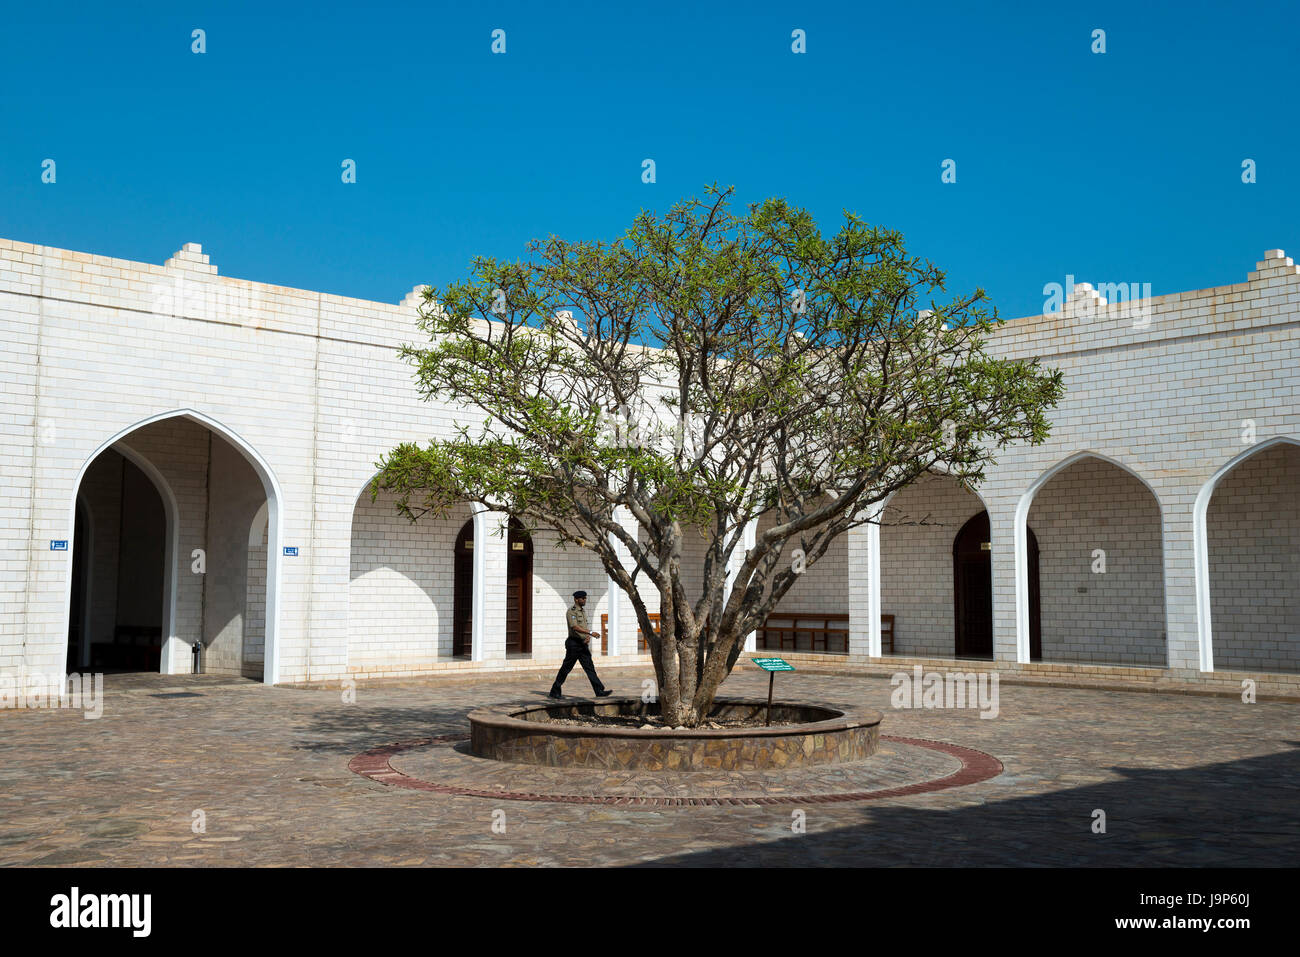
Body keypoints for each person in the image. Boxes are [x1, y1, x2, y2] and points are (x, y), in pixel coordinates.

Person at [548, 590, 613, 698]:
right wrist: (591, 633)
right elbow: (574, 627)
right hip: (573, 644)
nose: (584, 600)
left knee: (590, 668)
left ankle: (599, 691)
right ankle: (555, 690)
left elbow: (583, 627)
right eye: (582, 598)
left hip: (582, 645)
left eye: (585, 598)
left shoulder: (583, 611)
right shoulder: (571, 612)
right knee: (566, 668)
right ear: (576, 599)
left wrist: (587, 637)